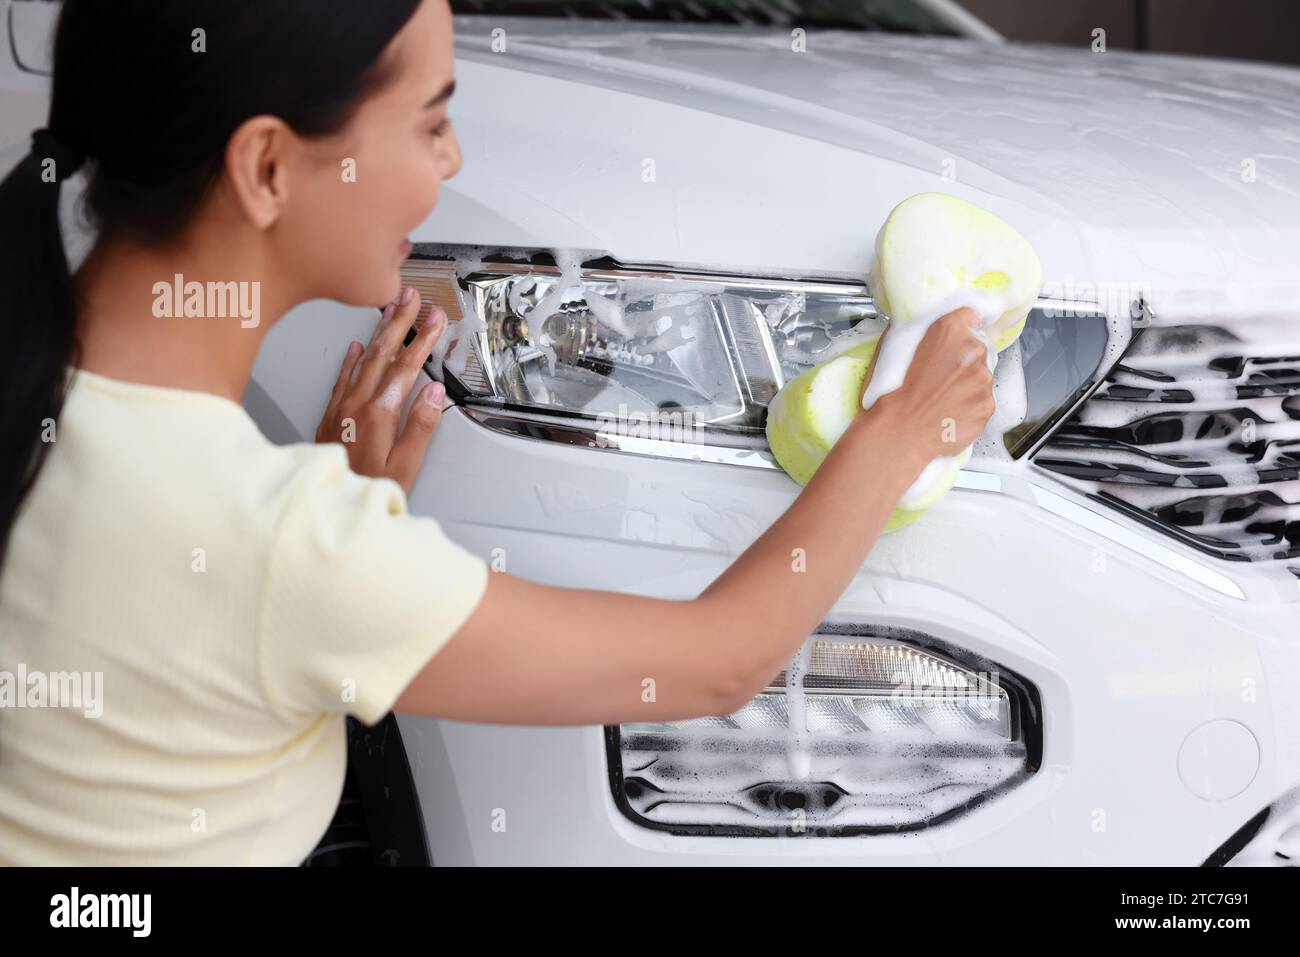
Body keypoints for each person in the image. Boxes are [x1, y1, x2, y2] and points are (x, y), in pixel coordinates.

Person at [0, 0, 994, 864]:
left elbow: (201, 654)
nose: (454, 160)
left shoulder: (59, 410)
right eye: (431, 122)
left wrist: (346, 508)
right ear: (267, 164)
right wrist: (893, 438)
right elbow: (715, 662)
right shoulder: (276, 541)